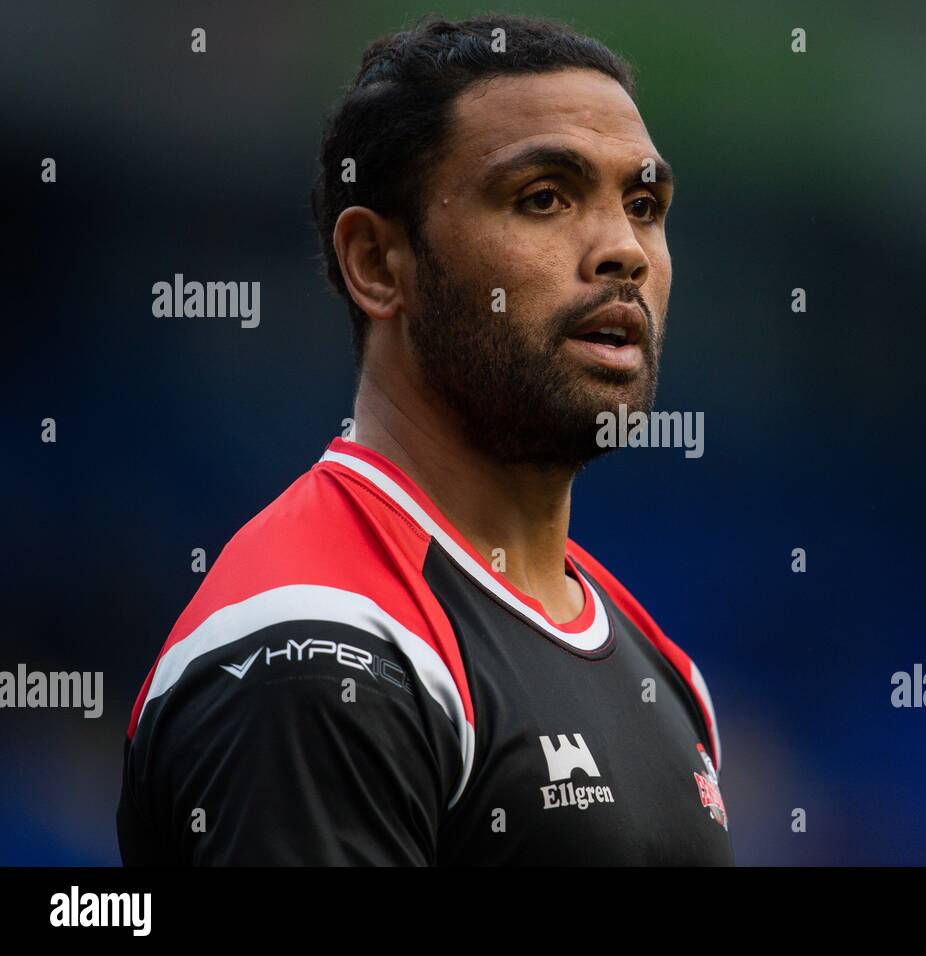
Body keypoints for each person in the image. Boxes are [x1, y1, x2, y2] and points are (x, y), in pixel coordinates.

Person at [116, 12, 731, 865]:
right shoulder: (312, 654)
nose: (623, 250)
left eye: (644, 204)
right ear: (377, 263)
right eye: (544, 198)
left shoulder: (662, 668)